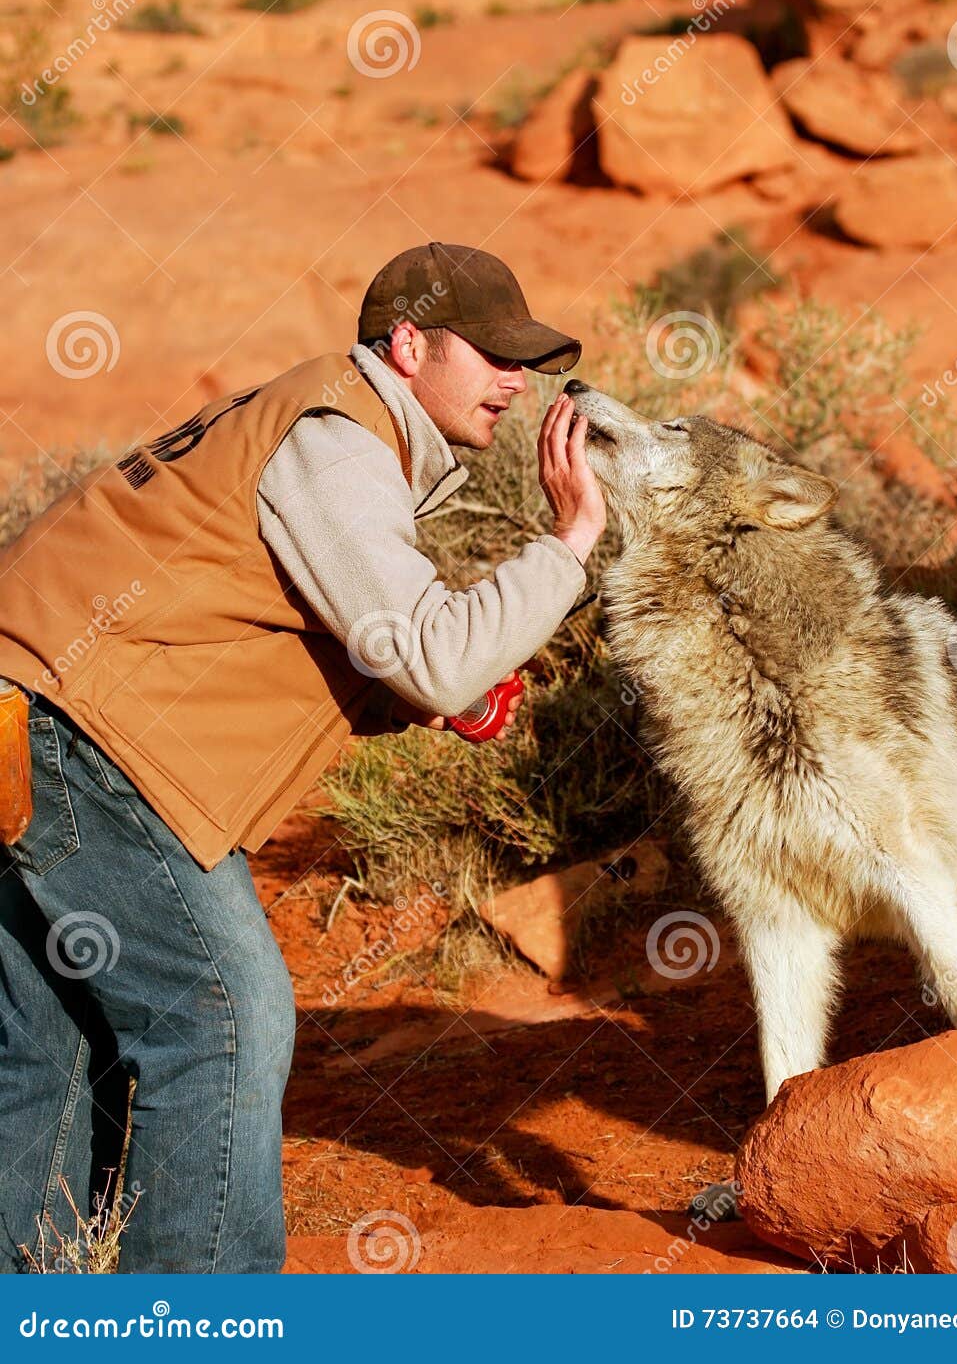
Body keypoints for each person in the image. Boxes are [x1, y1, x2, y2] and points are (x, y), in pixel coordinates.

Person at [0, 242, 606, 1273]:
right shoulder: (336, 439)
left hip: (26, 707)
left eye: (526, 361)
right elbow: (434, 656)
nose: (517, 381)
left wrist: (413, 695)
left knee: (56, 1034)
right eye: (494, 354)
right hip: (77, 731)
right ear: (408, 344)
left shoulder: (319, 418)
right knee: (222, 1015)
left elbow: (301, 625)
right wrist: (570, 540)